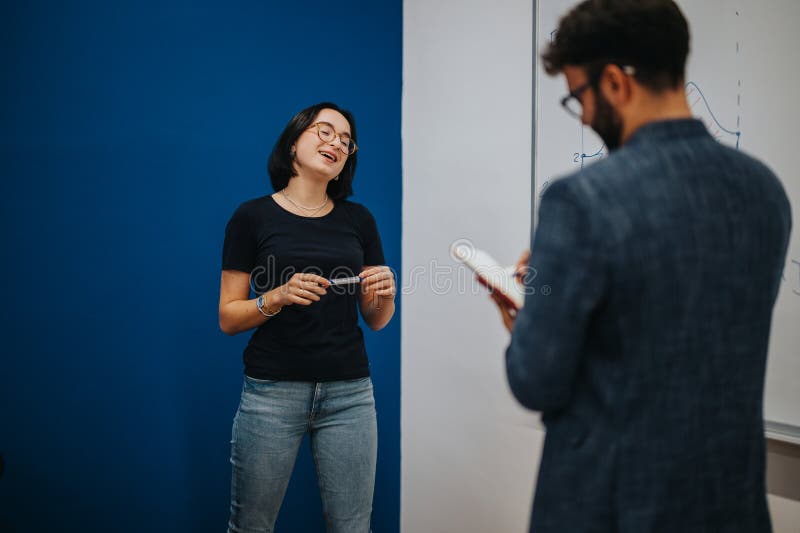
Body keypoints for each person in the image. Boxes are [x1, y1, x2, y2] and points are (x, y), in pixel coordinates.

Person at [491, 1, 792, 531]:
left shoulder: (582, 200)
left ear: (614, 83)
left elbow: (536, 381)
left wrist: (529, 314)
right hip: (732, 501)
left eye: (577, 96)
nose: (582, 115)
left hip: (611, 507)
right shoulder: (764, 190)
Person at [219, 102, 395, 532]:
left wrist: (384, 294)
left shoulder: (359, 219)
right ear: (294, 140)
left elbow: (376, 319)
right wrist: (275, 296)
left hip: (350, 394)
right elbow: (228, 316)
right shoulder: (252, 217)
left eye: (346, 140)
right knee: (251, 526)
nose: (336, 142)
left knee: (353, 527)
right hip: (272, 395)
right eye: (324, 131)